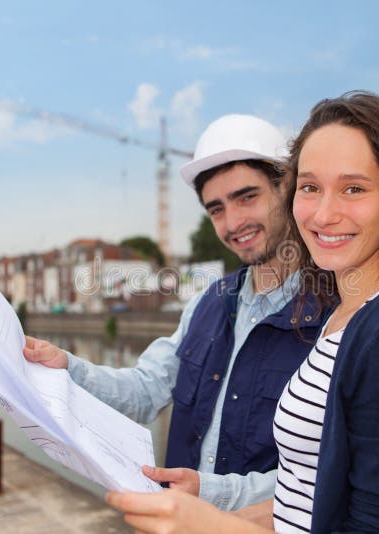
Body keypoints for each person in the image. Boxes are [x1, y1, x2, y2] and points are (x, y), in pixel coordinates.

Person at [106, 91, 379, 533]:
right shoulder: (345, 317)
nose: (325, 214)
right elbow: (310, 498)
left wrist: (212, 527)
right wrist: (212, 503)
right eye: (311, 187)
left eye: (353, 188)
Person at [23, 114, 327, 511]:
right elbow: (146, 391)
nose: (233, 222)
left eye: (247, 196)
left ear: (287, 187)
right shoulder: (209, 303)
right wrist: (66, 367)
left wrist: (210, 494)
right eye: (216, 209)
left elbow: (323, 477)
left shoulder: (336, 316)